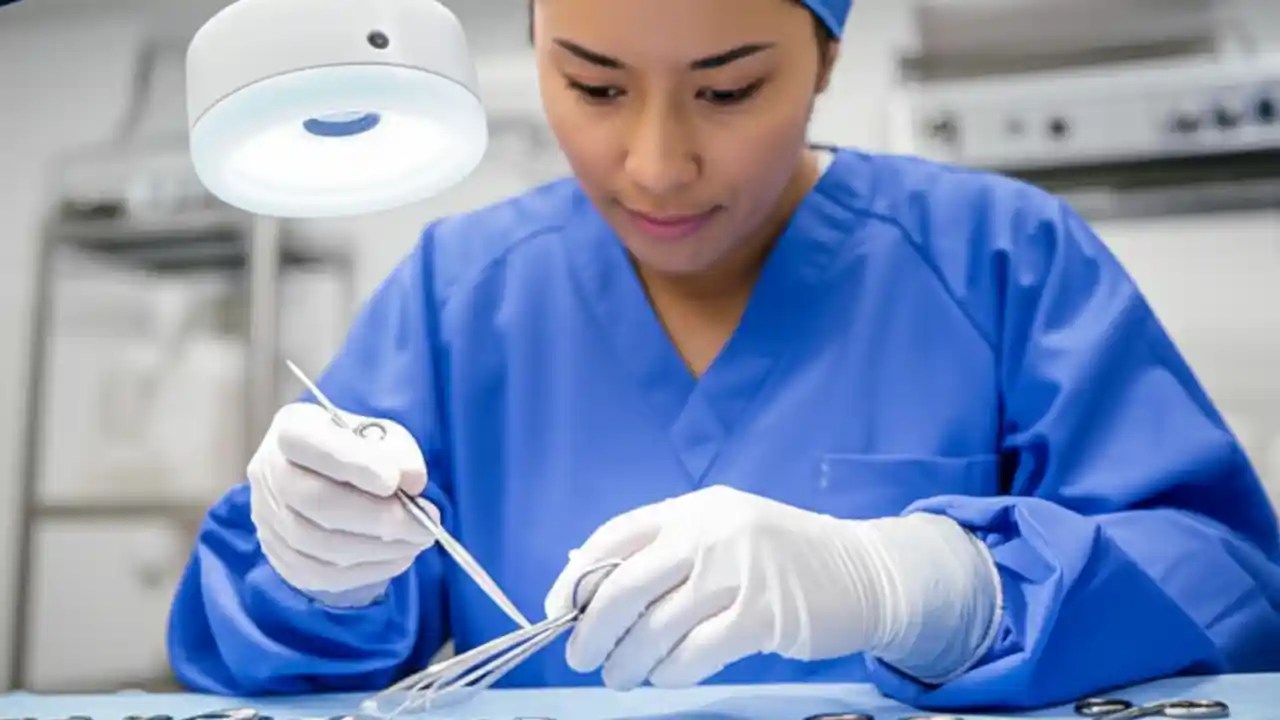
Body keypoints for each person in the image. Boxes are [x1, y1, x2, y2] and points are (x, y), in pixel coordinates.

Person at [165, 0, 1280, 711]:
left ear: (826, 57)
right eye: (593, 86)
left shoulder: (1001, 258)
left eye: (727, 89)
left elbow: (1225, 588)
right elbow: (283, 667)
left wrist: (923, 585)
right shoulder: (463, 291)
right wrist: (312, 569)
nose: (653, 165)